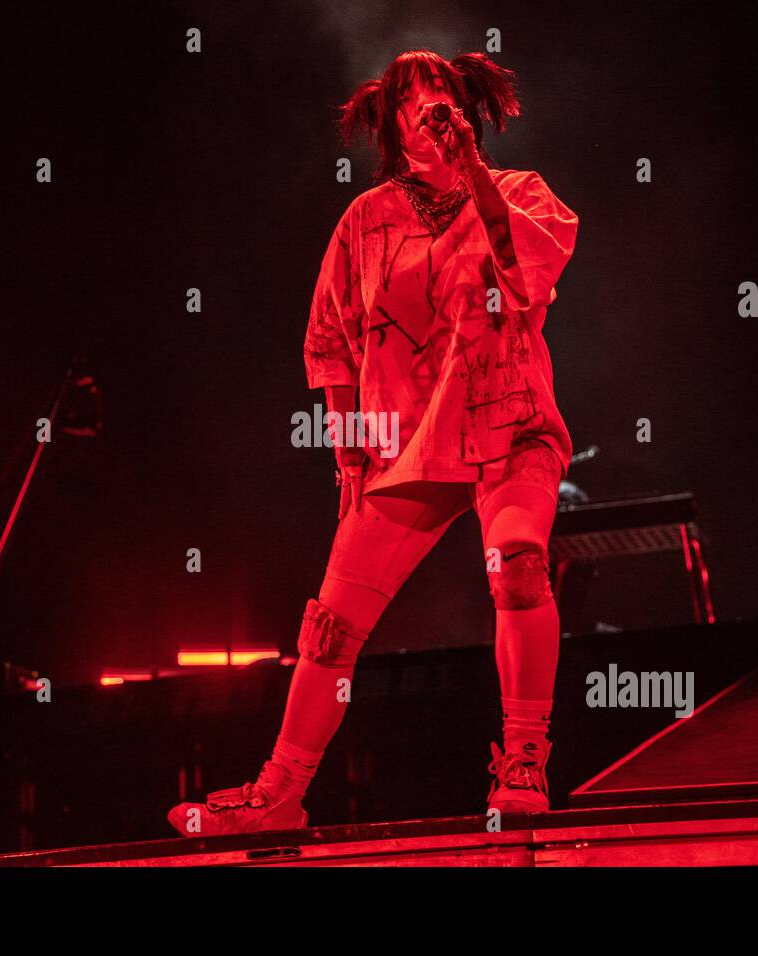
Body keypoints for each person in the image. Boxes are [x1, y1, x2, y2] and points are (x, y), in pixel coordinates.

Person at [168, 49, 579, 836]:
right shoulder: (365, 221)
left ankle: (525, 761)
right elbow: (329, 340)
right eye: (411, 101)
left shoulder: (523, 193)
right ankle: (279, 794)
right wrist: (351, 450)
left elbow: (523, 276)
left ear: (466, 112)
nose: (428, 109)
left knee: (518, 562)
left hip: (509, 421)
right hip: (405, 446)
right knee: (329, 623)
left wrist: (473, 174)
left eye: (442, 97)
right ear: (389, 124)